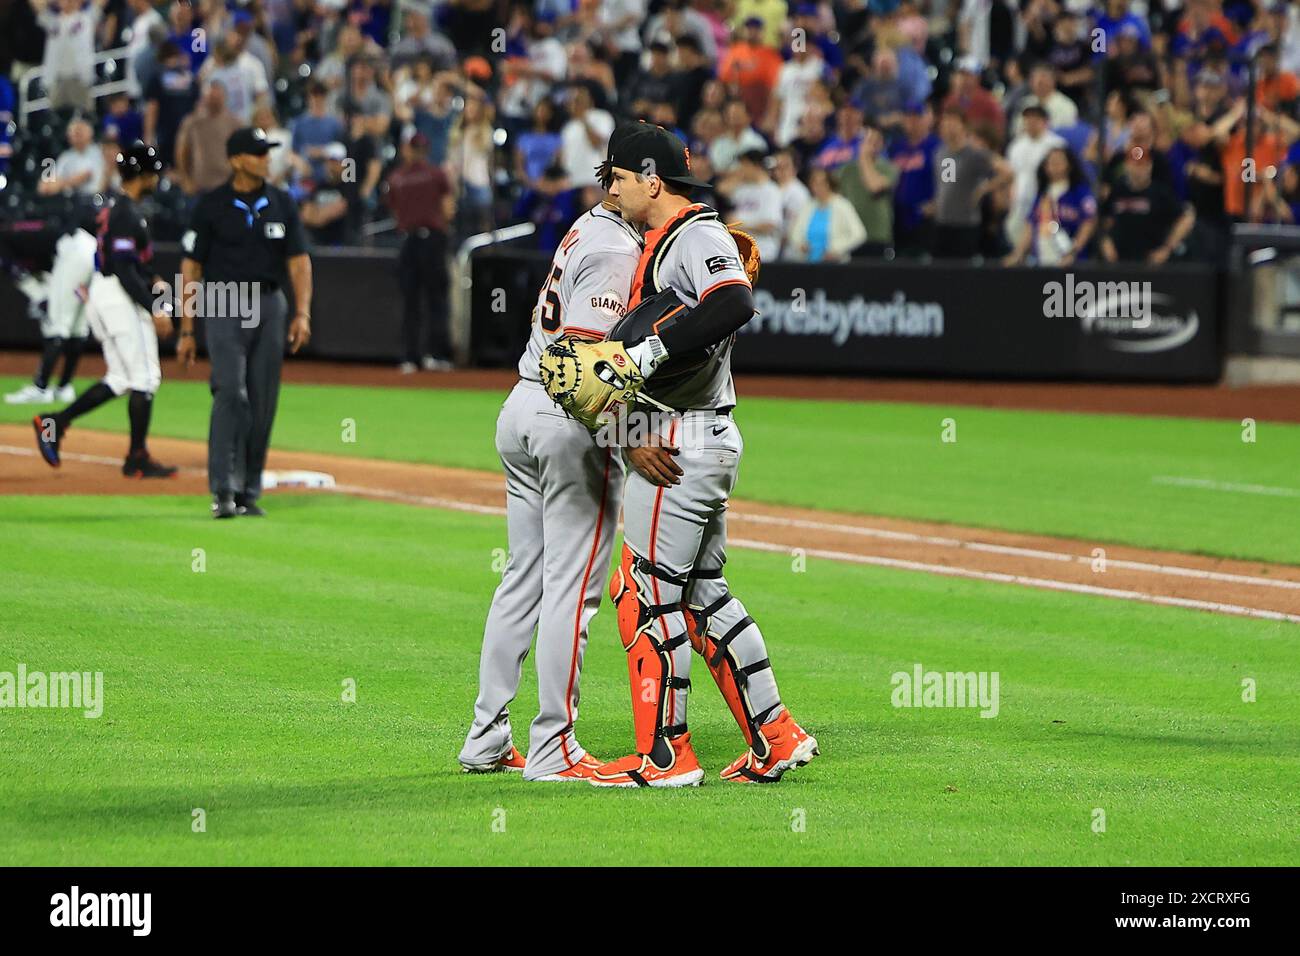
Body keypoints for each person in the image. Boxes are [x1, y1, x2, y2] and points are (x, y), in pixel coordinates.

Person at [576, 125, 819, 787]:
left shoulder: (694, 234)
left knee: (643, 595)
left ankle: (666, 757)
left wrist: (645, 355)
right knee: (704, 596)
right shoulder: (664, 240)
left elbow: (735, 301)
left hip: (681, 441)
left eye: (619, 177)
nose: (612, 188)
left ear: (652, 179)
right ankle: (775, 734)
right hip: (691, 434)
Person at [458, 124, 643, 782]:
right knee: (571, 589)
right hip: (566, 417)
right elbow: (581, 361)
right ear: (627, 181)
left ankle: (486, 736)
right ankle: (554, 744)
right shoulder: (618, 246)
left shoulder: (587, 227)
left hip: (520, 407)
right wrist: (628, 435)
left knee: (524, 580)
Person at [177, 127, 313, 519]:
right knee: (231, 392)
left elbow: (299, 261)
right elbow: (191, 267)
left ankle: (249, 491)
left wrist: (302, 312)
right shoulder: (211, 205)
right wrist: (188, 329)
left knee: (263, 398)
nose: (265, 158)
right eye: (257, 153)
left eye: (266, 152)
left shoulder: (282, 202)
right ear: (236, 160)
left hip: (270, 302)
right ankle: (223, 489)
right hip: (223, 300)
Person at [32, 144, 178, 478]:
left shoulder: (123, 208)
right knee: (146, 378)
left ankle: (54, 422)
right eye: (153, 172)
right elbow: (125, 270)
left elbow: (137, 264)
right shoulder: (126, 212)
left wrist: (154, 281)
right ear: (142, 176)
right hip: (116, 294)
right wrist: (154, 307)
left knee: (121, 378)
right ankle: (137, 458)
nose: (157, 177)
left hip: (105, 292)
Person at [4, 212, 97, 405]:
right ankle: (64, 387)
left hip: (72, 253)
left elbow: (18, 274)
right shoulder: (14, 232)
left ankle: (40, 387)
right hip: (88, 247)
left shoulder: (4, 239)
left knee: (59, 324)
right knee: (77, 327)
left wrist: (40, 296)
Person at [382, 133, 455, 373]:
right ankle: (435, 354)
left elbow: (394, 211)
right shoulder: (435, 174)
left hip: (410, 239)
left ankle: (412, 357)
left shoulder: (396, 177)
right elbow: (448, 210)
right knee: (434, 300)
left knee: (413, 301)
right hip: (429, 238)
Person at [1003, 146, 1098, 266]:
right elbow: (1031, 225)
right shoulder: (1042, 194)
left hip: (1071, 262)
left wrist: (1073, 252)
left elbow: (1089, 222)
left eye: (1058, 161)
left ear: (1069, 165)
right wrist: (1018, 253)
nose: (1054, 165)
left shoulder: (1080, 192)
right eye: (1050, 162)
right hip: (1043, 259)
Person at [1100, 147, 1197, 263]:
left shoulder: (1160, 192)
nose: (1139, 170)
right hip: (1120, 261)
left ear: (1150, 166)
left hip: (1150, 262)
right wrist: (1106, 241)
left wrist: (1167, 248)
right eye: (1135, 164)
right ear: (1127, 166)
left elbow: (1185, 218)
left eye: (1142, 165)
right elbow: (1106, 218)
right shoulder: (1118, 190)